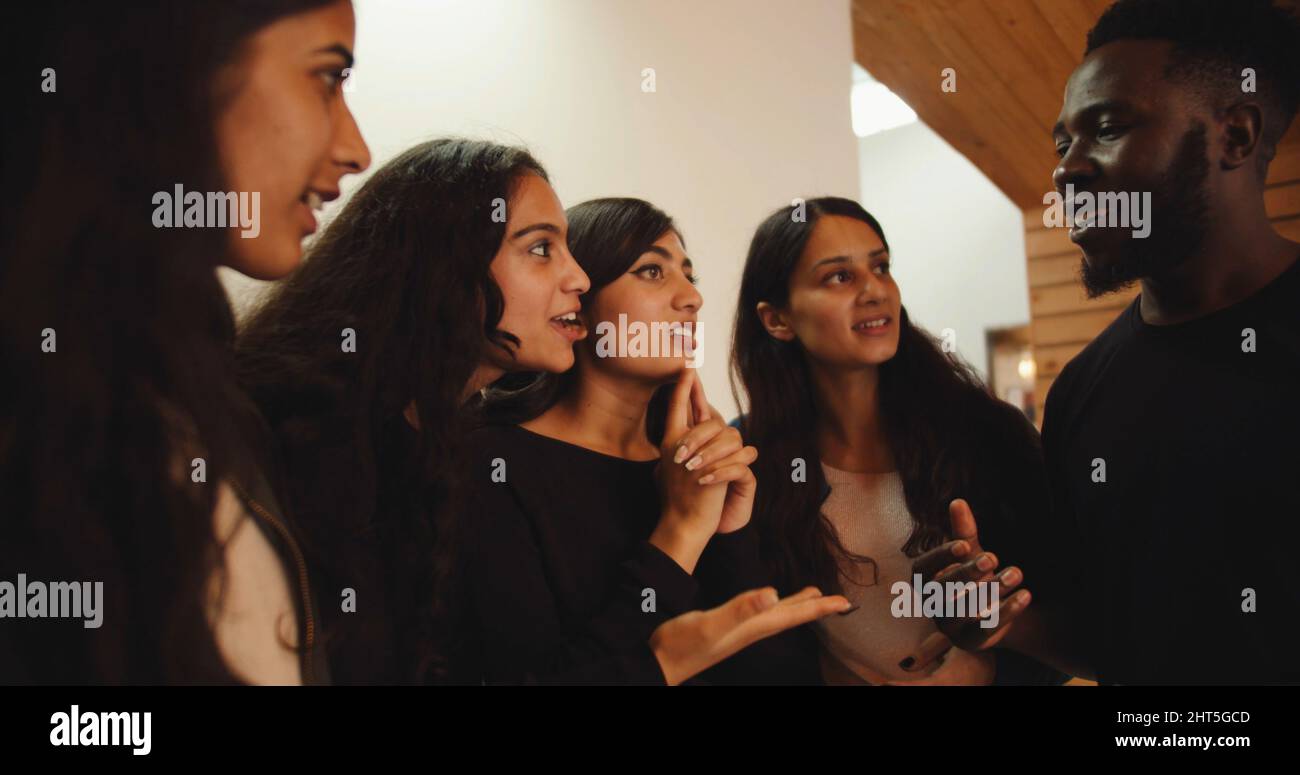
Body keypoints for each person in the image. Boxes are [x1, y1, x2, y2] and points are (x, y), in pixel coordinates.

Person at [236, 143, 852, 685]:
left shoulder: (695, 468)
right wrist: (677, 549)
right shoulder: (464, 462)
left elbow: (768, 664)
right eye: (651, 271)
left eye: (688, 274)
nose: (691, 298)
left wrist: (725, 529)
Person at [914, 0, 1300, 684]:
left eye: (1109, 128)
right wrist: (1003, 620)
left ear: (1234, 136)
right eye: (1062, 143)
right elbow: (1115, 631)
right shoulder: (1083, 393)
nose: (1068, 170)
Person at [1, 0, 371, 684]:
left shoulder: (184, 383)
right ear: (181, 67)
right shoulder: (44, 395)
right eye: (327, 76)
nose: (355, 149)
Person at [731, 197, 1062, 684]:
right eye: (838, 277)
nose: (874, 291)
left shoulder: (986, 433)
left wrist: (986, 663)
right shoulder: (752, 459)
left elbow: (1071, 611)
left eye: (881, 267)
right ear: (776, 319)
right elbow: (761, 644)